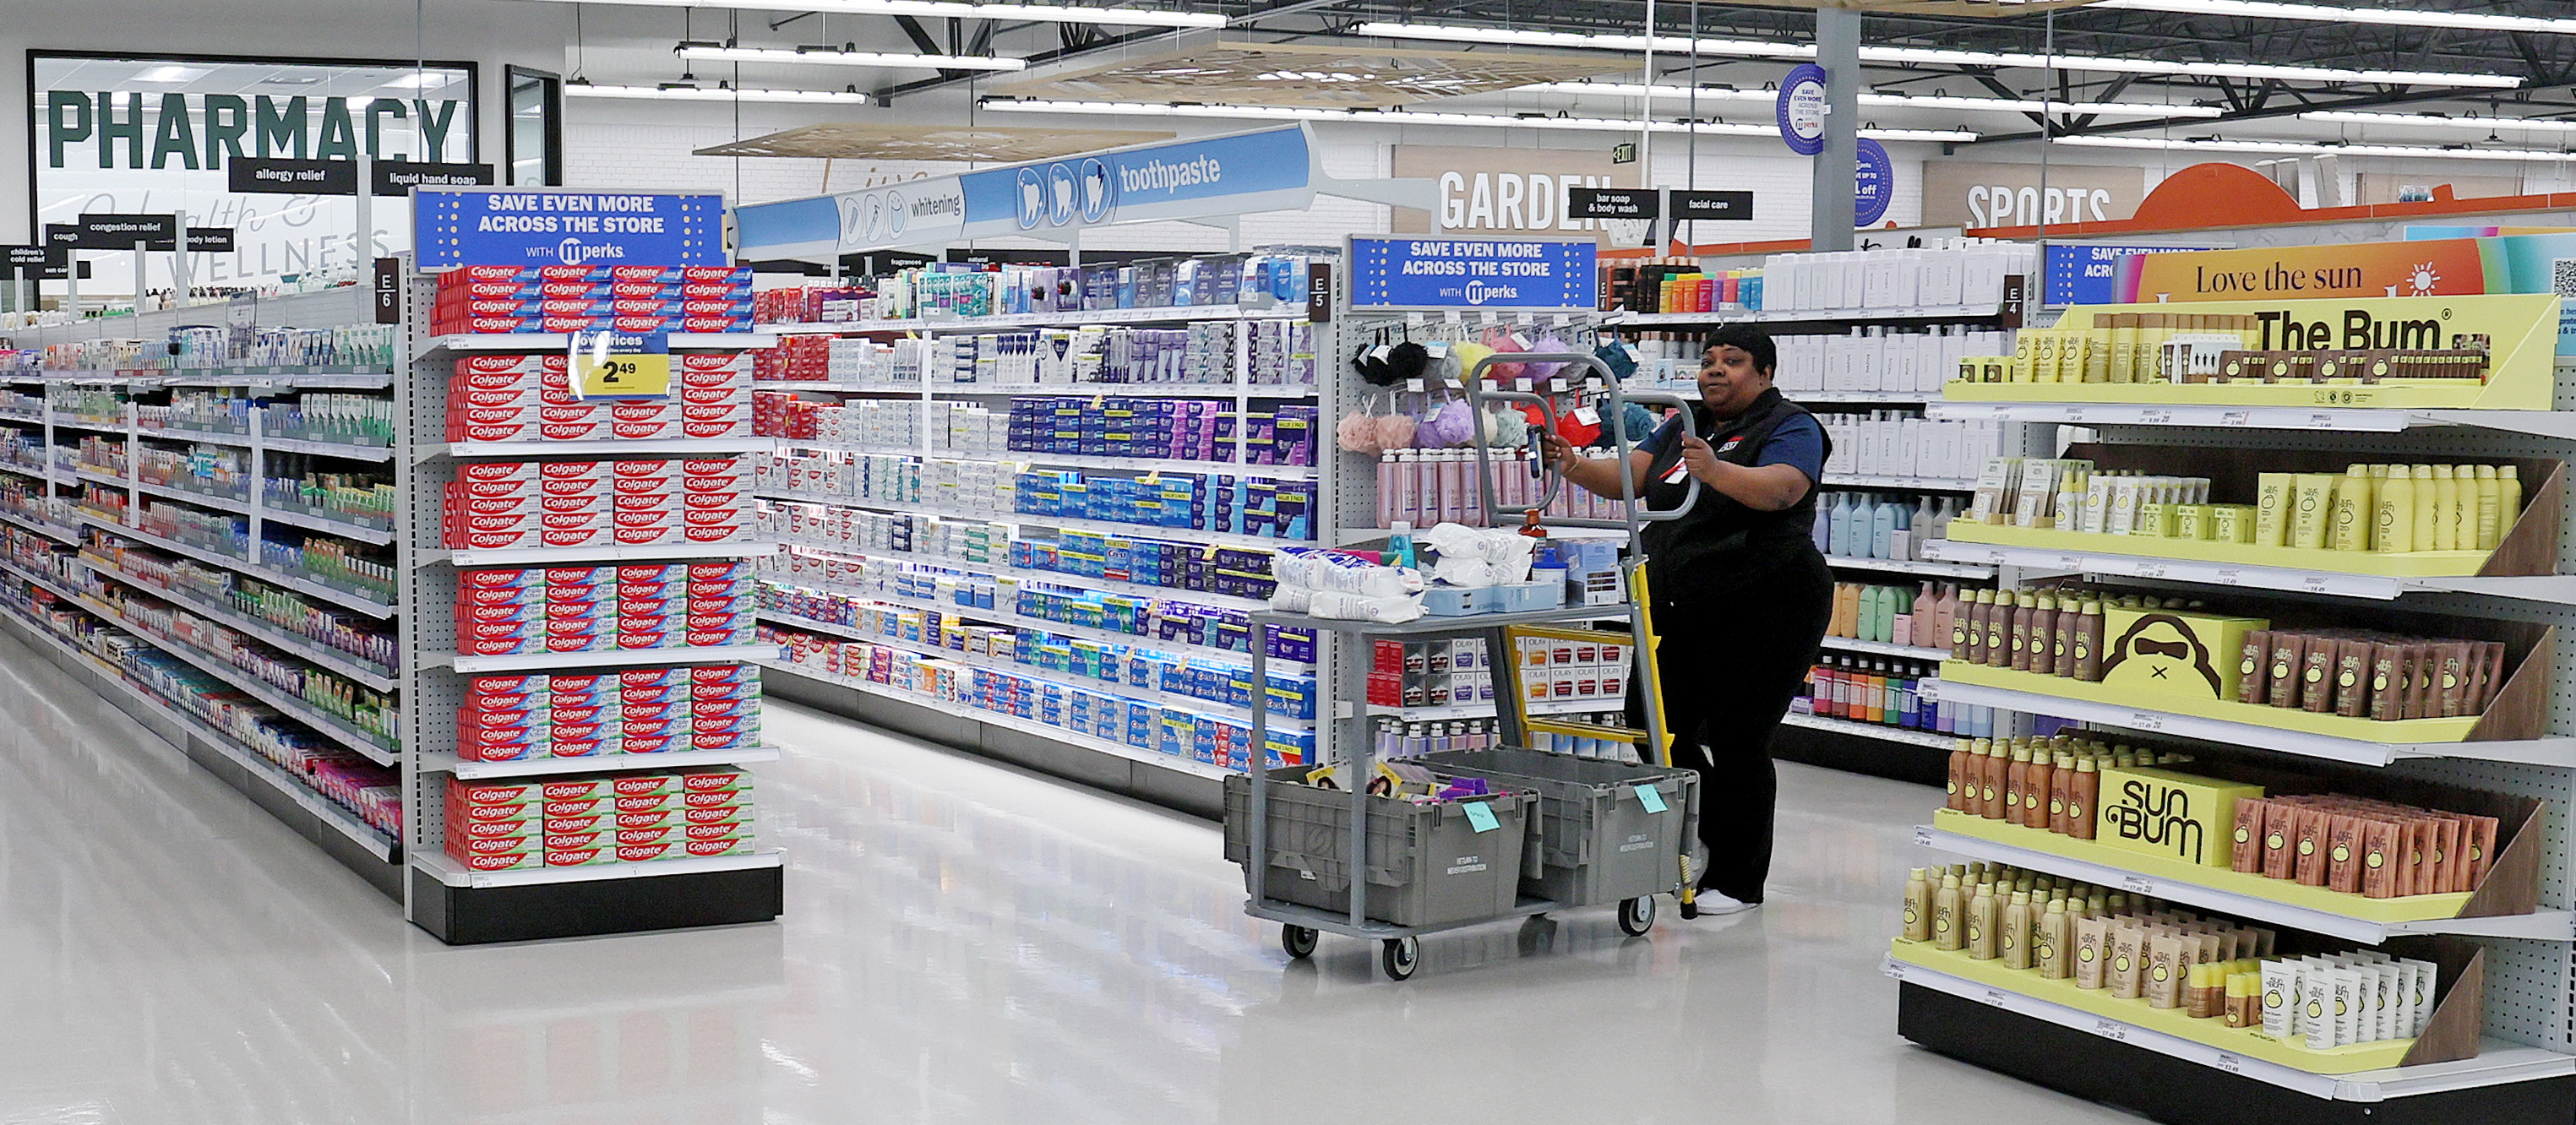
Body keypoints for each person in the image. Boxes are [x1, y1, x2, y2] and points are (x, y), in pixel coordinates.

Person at [1539, 323, 1833, 916]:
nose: (1715, 370)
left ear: (1765, 374)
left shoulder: (1790, 427)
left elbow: (1782, 491)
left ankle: (1739, 880)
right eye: (1708, 360)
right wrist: (1571, 465)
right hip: (1691, 603)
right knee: (1649, 719)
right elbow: (1633, 479)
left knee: (1737, 738)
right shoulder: (1684, 421)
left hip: (1769, 604)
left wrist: (1716, 471)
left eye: (1732, 361)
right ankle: (1700, 828)